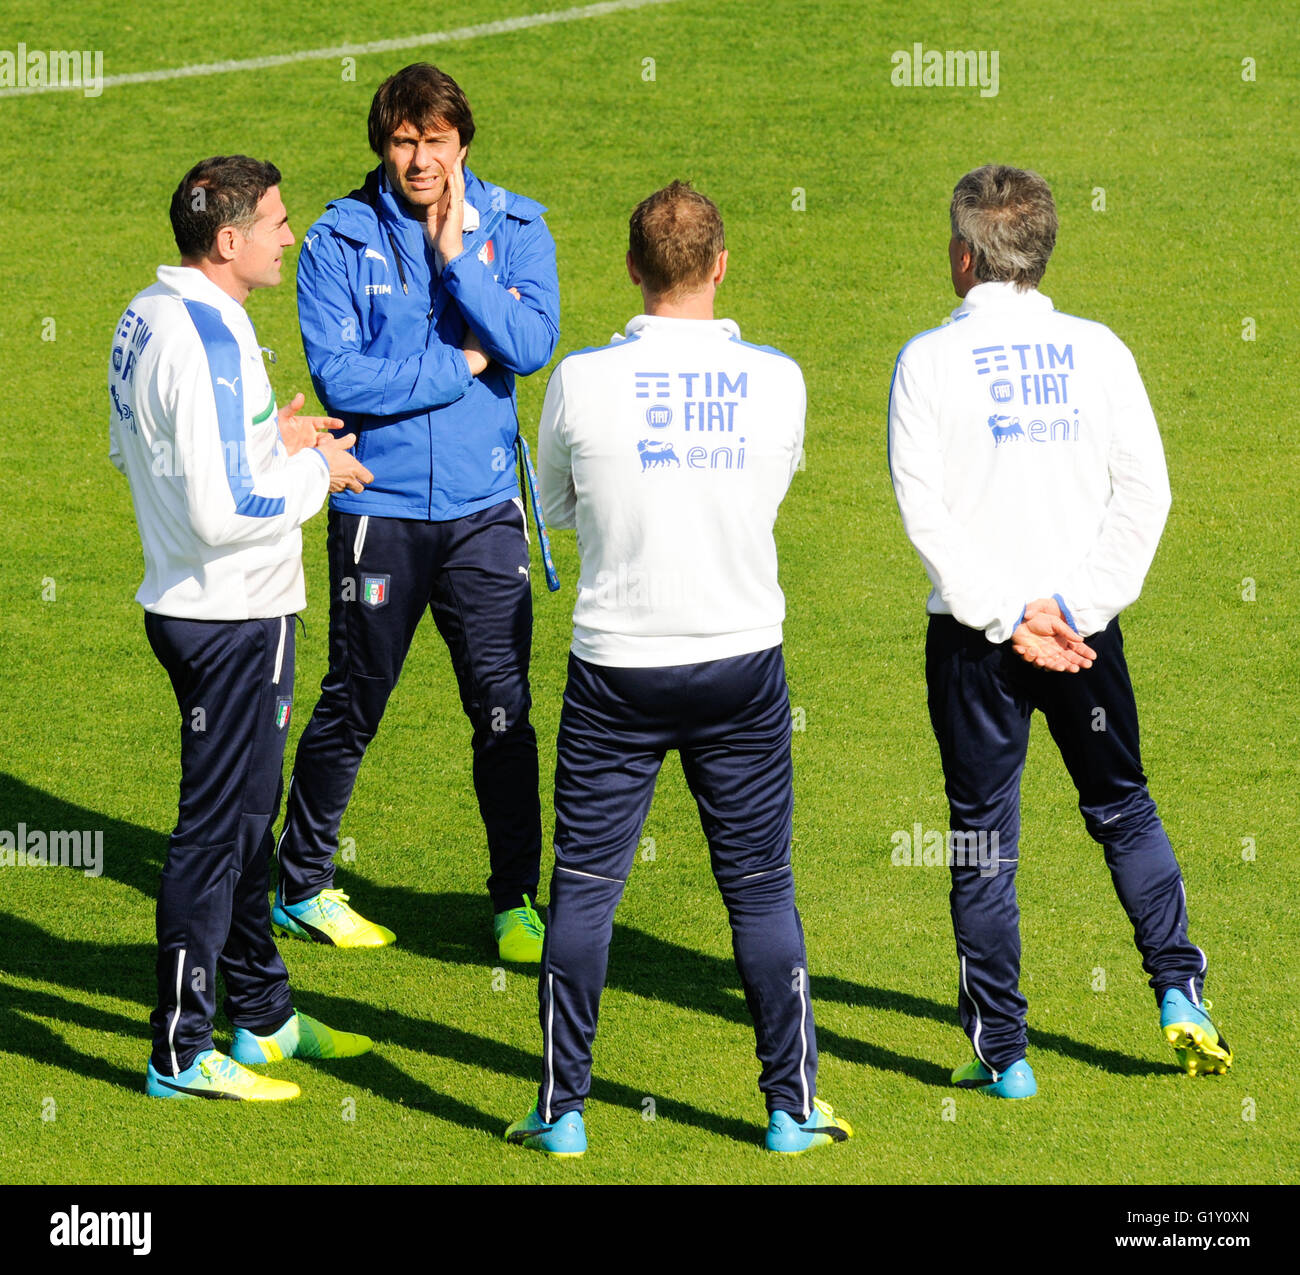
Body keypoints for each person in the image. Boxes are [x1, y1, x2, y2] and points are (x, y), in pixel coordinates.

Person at [505, 181, 852, 1157]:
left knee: (581, 889)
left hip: (616, 668)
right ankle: (789, 1108)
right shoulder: (777, 379)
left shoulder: (580, 378)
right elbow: (770, 487)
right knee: (759, 889)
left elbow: (557, 508)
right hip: (739, 660)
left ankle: (562, 1113)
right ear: (720, 264)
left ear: (630, 269)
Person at [888, 163, 1232, 1098]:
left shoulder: (925, 361)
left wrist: (1010, 618)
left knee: (980, 843)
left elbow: (926, 519)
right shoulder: (1102, 349)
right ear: (1038, 252)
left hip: (973, 642)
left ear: (965, 254)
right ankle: (1178, 992)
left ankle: (1004, 1055)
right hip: (1085, 638)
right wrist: (1072, 611)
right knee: (1123, 806)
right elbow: (1147, 495)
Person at [273, 63, 560, 958]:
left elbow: (532, 342)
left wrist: (457, 265)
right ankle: (303, 884)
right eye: (404, 141)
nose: (420, 158)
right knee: (354, 700)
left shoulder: (514, 227)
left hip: (483, 512)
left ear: (462, 143)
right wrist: (464, 366)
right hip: (377, 508)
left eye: (436, 140)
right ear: (383, 145)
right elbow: (343, 378)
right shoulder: (335, 238)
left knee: (503, 707)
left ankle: (515, 900)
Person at [109, 155, 375, 1099]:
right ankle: (179, 1049)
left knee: (249, 821)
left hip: (190, 602)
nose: (288, 236)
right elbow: (227, 510)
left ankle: (260, 1013)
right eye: (274, 222)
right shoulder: (212, 337)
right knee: (214, 833)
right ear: (229, 241)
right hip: (233, 616)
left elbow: (153, 451)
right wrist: (319, 476)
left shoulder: (147, 314)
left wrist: (274, 439)